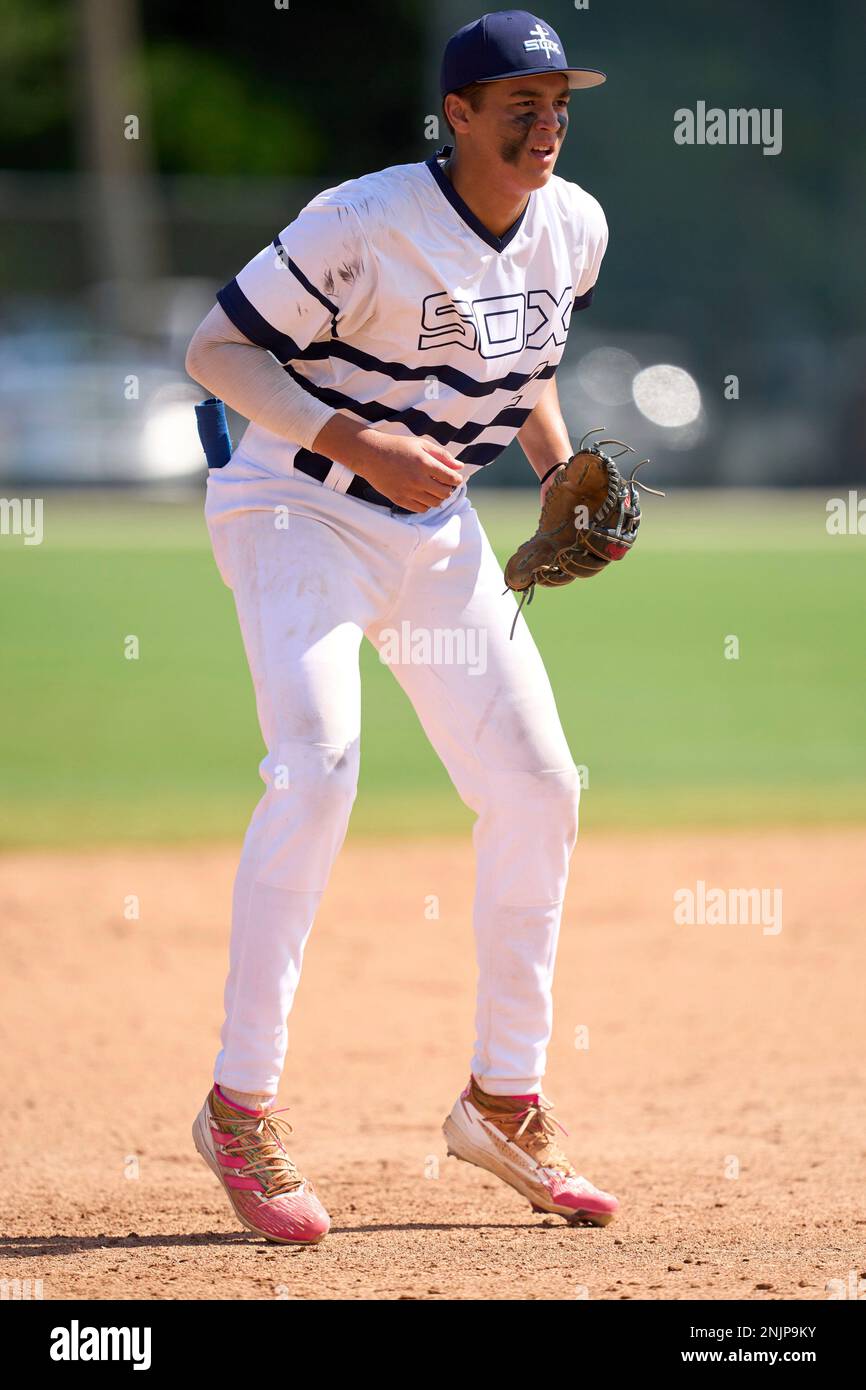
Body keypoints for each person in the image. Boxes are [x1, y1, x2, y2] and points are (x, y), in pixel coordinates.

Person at [185, 9, 619, 1245]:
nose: (544, 124)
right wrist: (351, 435)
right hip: (292, 507)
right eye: (517, 104)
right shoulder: (360, 220)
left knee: (538, 785)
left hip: (433, 533)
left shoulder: (573, 225)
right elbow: (214, 350)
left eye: (559, 104)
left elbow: (525, 353)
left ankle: (504, 1099)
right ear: (459, 117)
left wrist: (551, 469)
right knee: (318, 772)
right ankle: (238, 1104)